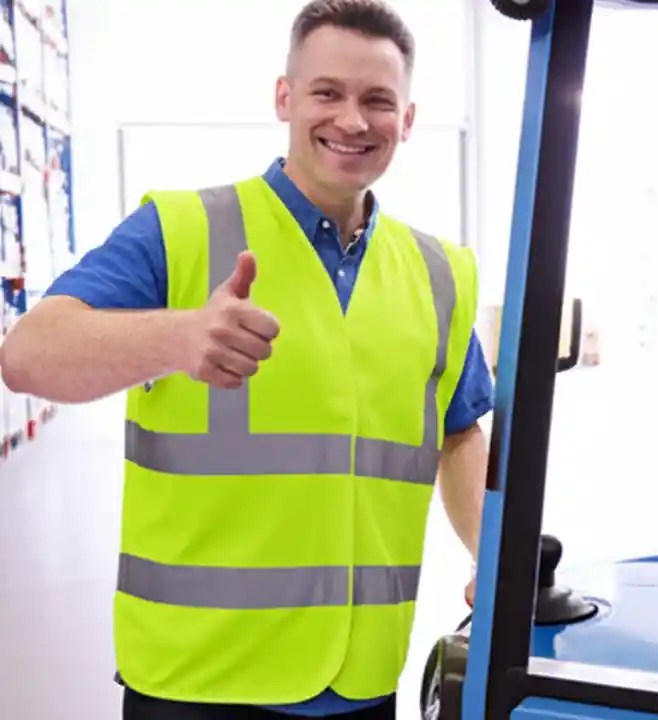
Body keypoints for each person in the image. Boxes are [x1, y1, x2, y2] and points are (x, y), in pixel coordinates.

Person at [0, 1, 491, 718]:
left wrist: (493, 555)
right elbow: (28, 355)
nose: (352, 121)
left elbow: (458, 430)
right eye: (327, 92)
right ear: (284, 97)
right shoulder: (182, 230)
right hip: (198, 683)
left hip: (360, 682)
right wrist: (176, 338)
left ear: (407, 119)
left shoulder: (439, 274)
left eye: (378, 100)